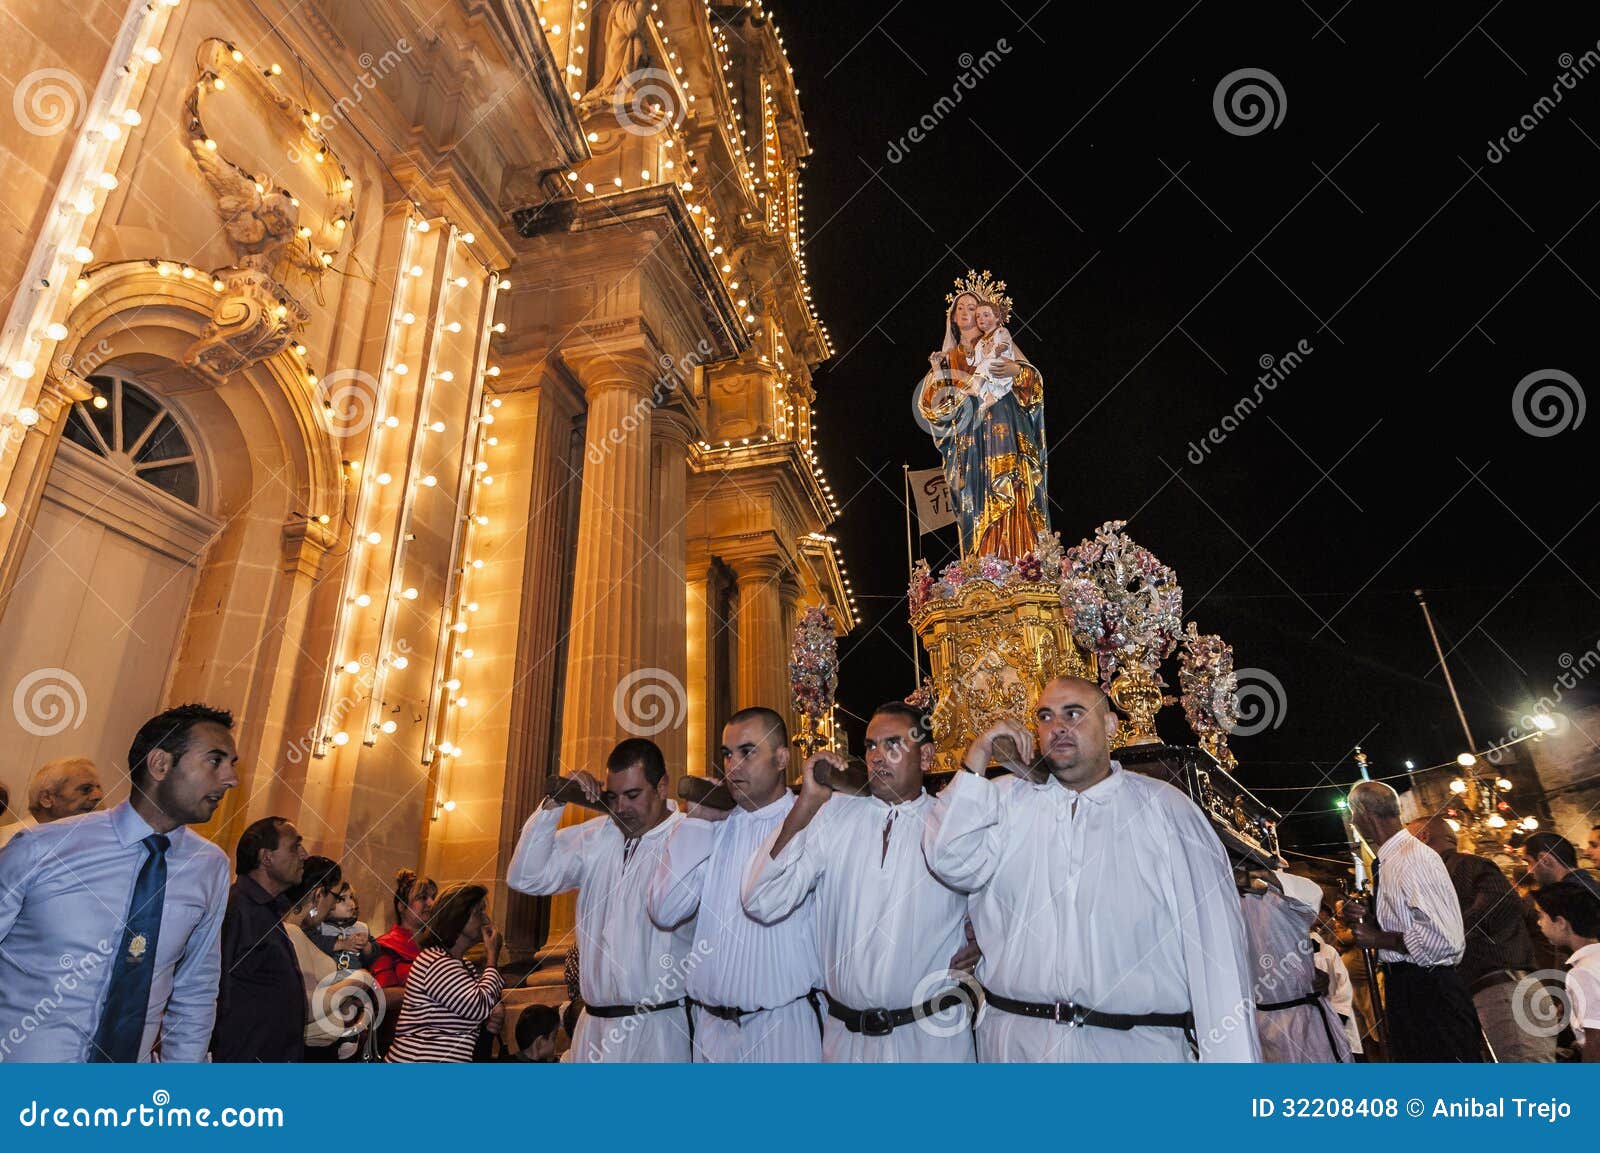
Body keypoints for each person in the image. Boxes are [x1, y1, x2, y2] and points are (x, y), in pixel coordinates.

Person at [924, 676, 1259, 1062]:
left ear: (1112, 725)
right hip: (1017, 1048)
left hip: (1134, 1051)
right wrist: (978, 754)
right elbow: (949, 860)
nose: (1058, 727)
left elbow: (1217, 951)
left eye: (1074, 713)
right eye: (1045, 717)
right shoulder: (1004, 800)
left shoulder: (1166, 810)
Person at [0, 704, 237, 1061]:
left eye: (233, 764)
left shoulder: (210, 867)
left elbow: (196, 989)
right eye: (215, 761)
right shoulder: (42, 848)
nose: (230, 778)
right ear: (160, 764)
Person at [743, 702, 975, 1062]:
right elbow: (761, 899)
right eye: (870, 746)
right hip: (846, 1042)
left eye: (893, 745)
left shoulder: (952, 821)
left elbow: (1007, 902)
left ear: (926, 756)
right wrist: (806, 803)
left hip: (932, 1041)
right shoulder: (834, 815)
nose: (878, 757)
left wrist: (988, 941)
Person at [647, 706, 824, 1062]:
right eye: (727, 755)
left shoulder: (812, 821)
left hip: (780, 1030)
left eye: (747, 752)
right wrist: (696, 823)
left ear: (781, 758)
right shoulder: (714, 825)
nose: (733, 767)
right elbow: (665, 910)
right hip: (711, 1032)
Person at [508, 737, 695, 1061]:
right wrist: (556, 801)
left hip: (657, 1031)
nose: (621, 807)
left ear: (662, 786)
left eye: (632, 795)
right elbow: (525, 876)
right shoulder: (597, 835)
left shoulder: (687, 837)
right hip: (592, 1029)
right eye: (613, 797)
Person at [1339, 781, 1480, 1062]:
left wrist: (1377, 939)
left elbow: (1442, 938)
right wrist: (1369, 916)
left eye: (1353, 813)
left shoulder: (1412, 858)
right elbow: (1407, 921)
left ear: (1364, 811)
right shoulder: (1389, 861)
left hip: (1429, 992)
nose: (1352, 821)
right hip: (1407, 989)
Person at [919, 282, 1049, 560]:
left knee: (1011, 483)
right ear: (953, 317)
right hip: (970, 440)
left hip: (1005, 425)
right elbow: (934, 404)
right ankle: (984, 564)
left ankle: (1022, 561)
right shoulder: (948, 357)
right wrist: (938, 374)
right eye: (960, 308)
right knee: (975, 501)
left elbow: (1033, 382)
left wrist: (1017, 371)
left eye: (973, 308)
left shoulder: (998, 341)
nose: (967, 312)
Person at [1408, 815, 1553, 1061]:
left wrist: (1444, 936)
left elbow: (1500, 905)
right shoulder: (1431, 878)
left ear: (1424, 837)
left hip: (1502, 990)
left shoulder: (1467, 865)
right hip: (1483, 994)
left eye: (1406, 840)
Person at [211, 816, 309, 1062]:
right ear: (266, 857)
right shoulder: (236, 910)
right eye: (294, 846)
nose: (304, 854)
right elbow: (215, 991)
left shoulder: (266, 910)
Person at [1240, 868, 1351, 1062]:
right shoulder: (1226, 902)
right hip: (1260, 1020)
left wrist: (1263, 875)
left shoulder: (1282, 897)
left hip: (1304, 1017)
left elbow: (1313, 895)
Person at [386, 882, 504, 1063]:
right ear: (459, 918)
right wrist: (492, 956)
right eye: (479, 912)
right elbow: (477, 1008)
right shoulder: (435, 961)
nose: (486, 920)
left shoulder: (464, 966)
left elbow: (476, 1010)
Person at [280, 856, 381, 1060]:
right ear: (318, 895)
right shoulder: (293, 932)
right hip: (304, 1052)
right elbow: (305, 1008)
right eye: (336, 896)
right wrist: (359, 980)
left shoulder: (301, 931)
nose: (335, 904)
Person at [1532, 881, 1600, 1062]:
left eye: (1541, 915)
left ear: (1561, 922)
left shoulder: (1582, 972)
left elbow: (1596, 1042)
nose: (1539, 923)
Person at [372, 868, 437, 1012]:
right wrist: (431, 991)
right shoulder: (385, 945)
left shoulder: (439, 945)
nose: (431, 903)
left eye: (433, 897)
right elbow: (379, 996)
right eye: (422, 897)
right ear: (401, 906)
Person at [964, 300, 1017, 418]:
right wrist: (969, 353)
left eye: (986, 315)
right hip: (989, 374)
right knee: (981, 367)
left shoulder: (1001, 331)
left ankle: (975, 389)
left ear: (997, 318)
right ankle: (989, 398)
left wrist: (1002, 347)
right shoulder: (981, 341)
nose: (981, 319)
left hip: (1001, 368)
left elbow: (1005, 341)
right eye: (978, 316)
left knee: (985, 364)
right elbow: (975, 361)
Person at [315, 882, 374, 970]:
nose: (350, 903)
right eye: (342, 899)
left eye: (351, 897)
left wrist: (366, 946)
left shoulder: (361, 928)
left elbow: (374, 956)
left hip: (355, 979)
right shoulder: (319, 928)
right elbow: (312, 947)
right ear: (327, 902)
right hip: (327, 979)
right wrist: (340, 944)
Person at [1522, 833, 1600, 898]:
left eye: (1529, 862)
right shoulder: (1584, 888)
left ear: (1544, 860)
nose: (1529, 871)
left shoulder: (1569, 898)